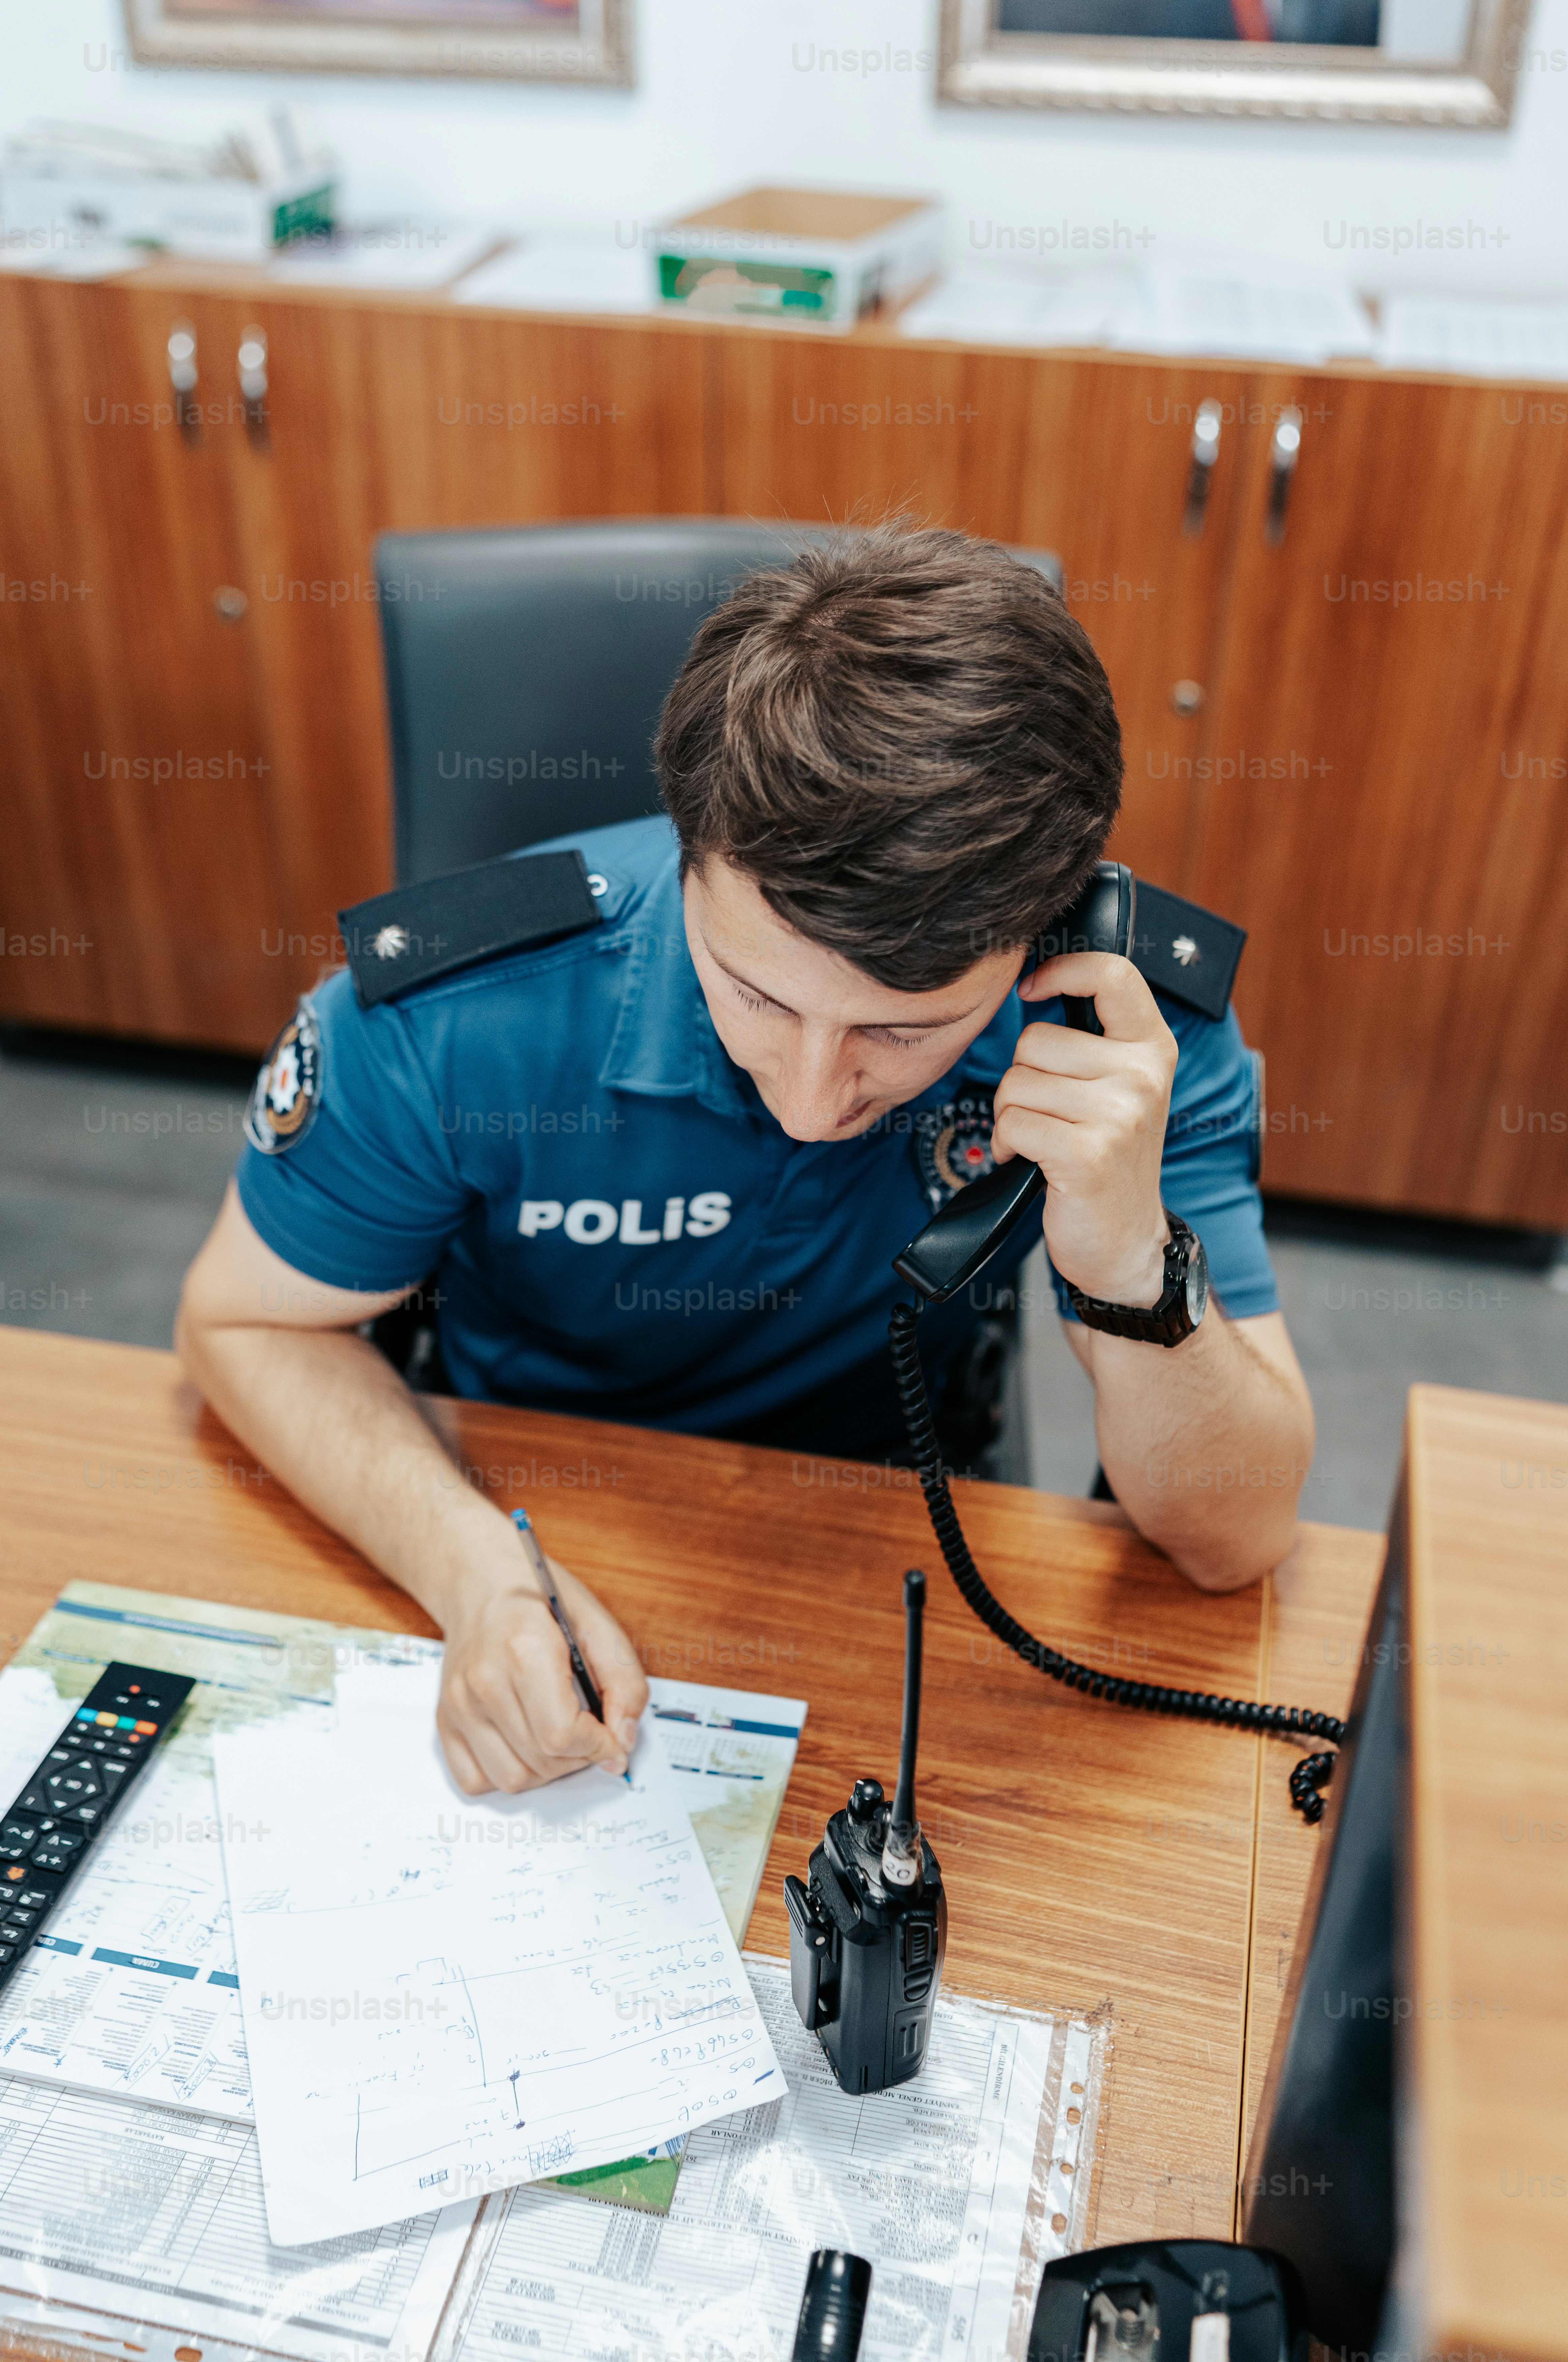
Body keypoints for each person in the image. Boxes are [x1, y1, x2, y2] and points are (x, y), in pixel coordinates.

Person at [177, 525, 1314, 1799]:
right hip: (533, 1501)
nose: (816, 1094)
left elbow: (1237, 1539)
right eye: (758, 997)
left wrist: (1125, 1253)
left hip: (897, 1524)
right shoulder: (461, 1011)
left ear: (1049, 927)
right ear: (690, 848)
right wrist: (475, 1573)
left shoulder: (1127, 1032)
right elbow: (244, 1323)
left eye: (903, 1029)